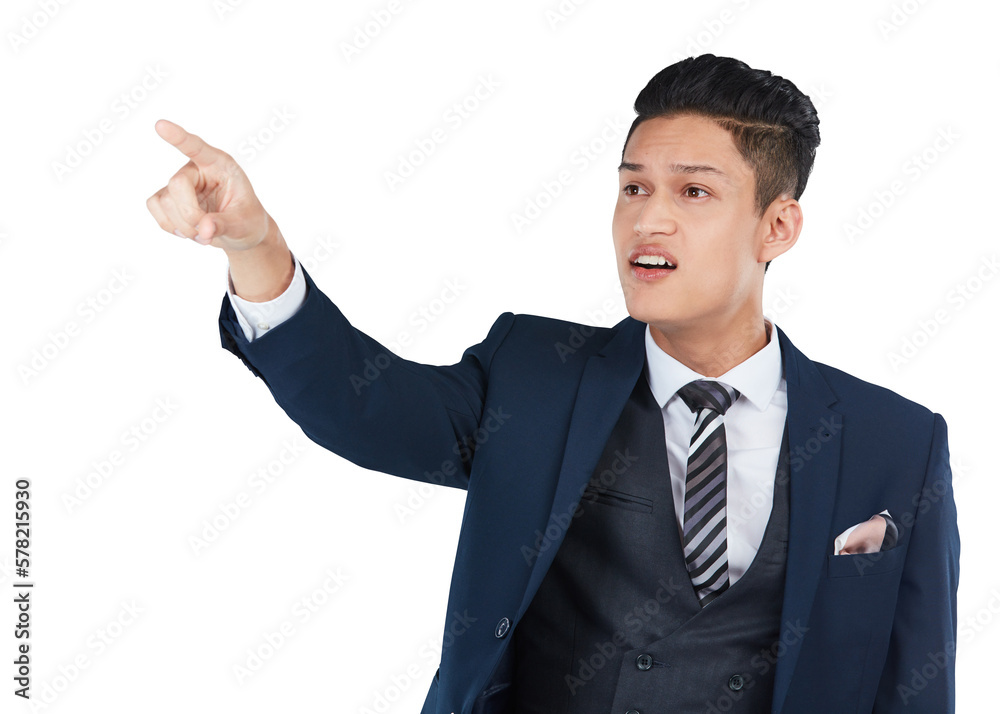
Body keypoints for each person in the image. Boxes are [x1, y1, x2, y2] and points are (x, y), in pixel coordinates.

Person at [146, 54, 959, 713]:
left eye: (694, 191)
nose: (648, 218)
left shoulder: (898, 442)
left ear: (777, 226)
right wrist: (254, 246)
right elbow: (364, 407)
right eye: (633, 186)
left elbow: (917, 683)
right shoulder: (535, 375)